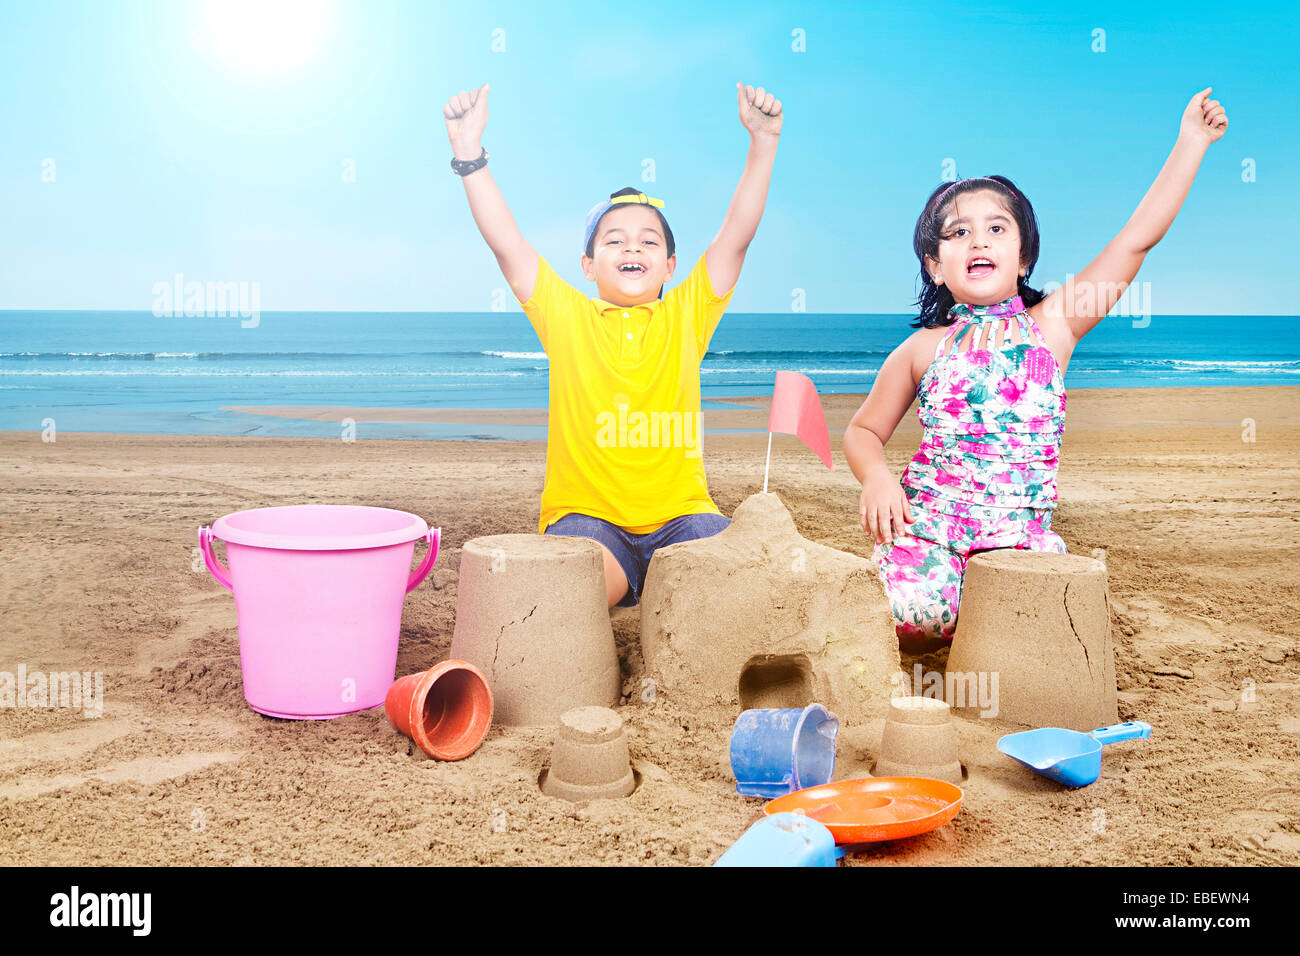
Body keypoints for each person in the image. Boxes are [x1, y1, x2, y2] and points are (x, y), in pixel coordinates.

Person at [844, 87, 1229, 648]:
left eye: (997, 228)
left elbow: (1136, 239)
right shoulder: (922, 350)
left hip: (1020, 542)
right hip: (928, 534)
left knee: (1044, 623)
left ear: (1024, 257)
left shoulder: (1054, 326)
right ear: (934, 265)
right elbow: (862, 431)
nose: (979, 238)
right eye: (958, 232)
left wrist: (1191, 142)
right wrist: (877, 478)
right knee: (899, 618)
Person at [442, 81, 783, 608]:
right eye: (614, 239)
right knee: (569, 596)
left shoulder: (687, 314)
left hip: (684, 517)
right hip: (587, 521)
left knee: (741, 589)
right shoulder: (566, 315)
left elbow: (735, 235)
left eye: (649, 240)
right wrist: (469, 155)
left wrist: (763, 144)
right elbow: (507, 245)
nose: (632, 246)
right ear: (587, 264)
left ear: (671, 266)